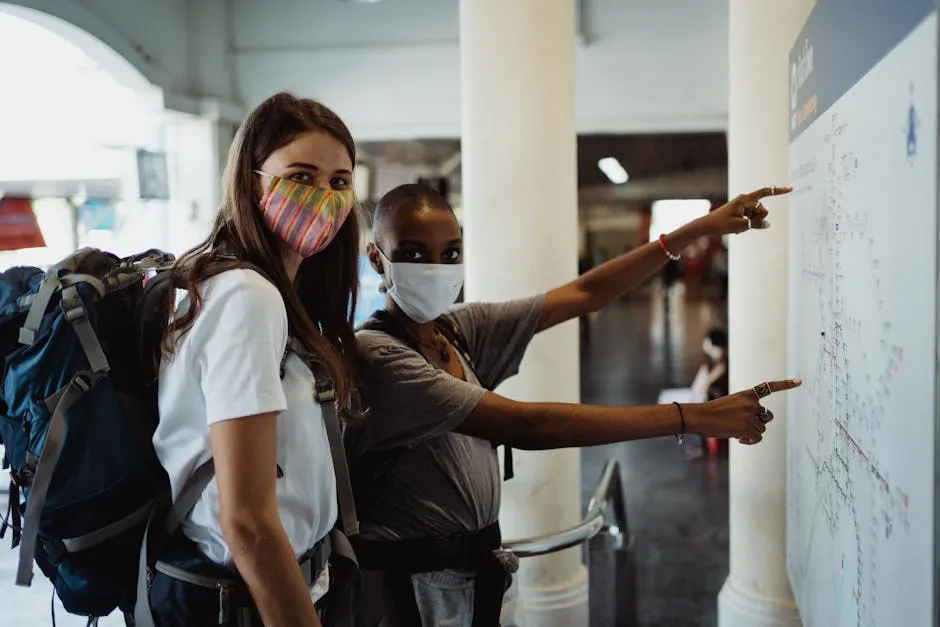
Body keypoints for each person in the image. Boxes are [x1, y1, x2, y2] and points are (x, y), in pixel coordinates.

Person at [347, 182, 799, 626]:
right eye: (412, 253)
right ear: (376, 258)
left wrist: (695, 230)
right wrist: (694, 416)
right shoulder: (378, 355)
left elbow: (585, 294)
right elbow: (528, 427)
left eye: (450, 253)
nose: (435, 267)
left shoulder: (456, 330)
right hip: (416, 589)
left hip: (478, 572)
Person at [147, 92, 361, 627]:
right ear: (251, 182)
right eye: (301, 177)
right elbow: (247, 521)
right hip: (241, 600)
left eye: (339, 182)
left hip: (263, 588)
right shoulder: (247, 296)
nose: (324, 198)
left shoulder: (257, 289)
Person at [684, 327, 731, 460]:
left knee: (699, 415)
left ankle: (703, 449)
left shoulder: (723, 364)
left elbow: (708, 382)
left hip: (719, 402)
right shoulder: (711, 361)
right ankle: (702, 446)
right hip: (711, 399)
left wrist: (702, 389)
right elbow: (701, 380)